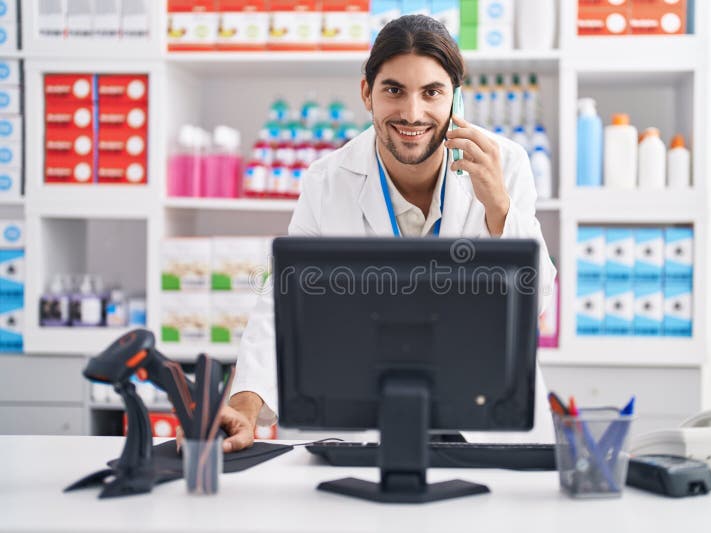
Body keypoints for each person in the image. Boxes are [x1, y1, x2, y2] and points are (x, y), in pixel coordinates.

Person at [193, 15, 557, 453]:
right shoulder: (327, 181)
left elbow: (536, 300)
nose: (412, 113)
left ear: (455, 98)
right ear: (367, 92)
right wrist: (244, 407)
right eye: (393, 90)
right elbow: (282, 304)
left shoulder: (506, 165)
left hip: (483, 413)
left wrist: (498, 206)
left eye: (432, 92)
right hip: (365, 417)